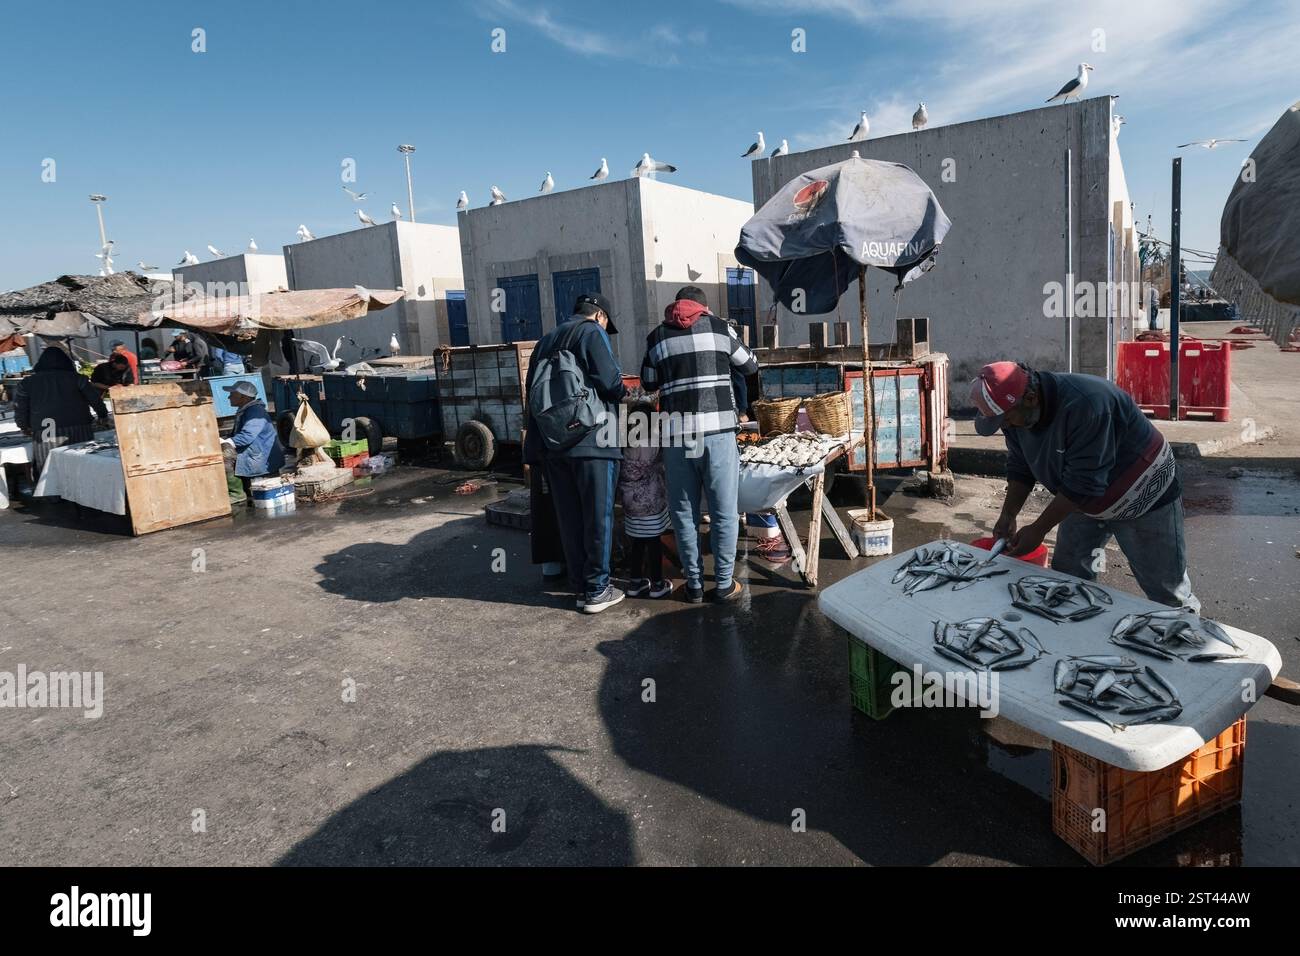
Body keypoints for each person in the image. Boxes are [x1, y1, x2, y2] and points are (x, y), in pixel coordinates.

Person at [975, 360, 1199, 612]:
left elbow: (1084, 482)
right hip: (1082, 500)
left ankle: (1190, 639)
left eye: (1006, 419)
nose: (1005, 426)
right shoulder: (1016, 416)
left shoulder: (1089, 403)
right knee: (1067, 579)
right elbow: (1020, 465)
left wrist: (1039, 529)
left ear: (1030, 397)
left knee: (1167, 593)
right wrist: (1008, 514)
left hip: (1144, 495)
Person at [640, 286, 758, 603]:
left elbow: (649, 383)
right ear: (703, 308)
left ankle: (693, 585)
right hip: (717, 433)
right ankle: (722, 584)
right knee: (723, 512)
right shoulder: (721, 328)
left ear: (675, 305)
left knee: (684, 512)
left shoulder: (656, 337)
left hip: (679, 437)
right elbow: (750, 366)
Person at [523, 292, 626, 613]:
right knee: (599, 516)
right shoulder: (591, 332)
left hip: (555, 444)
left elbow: (533, 395)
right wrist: (627, 392)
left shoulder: (545, 341)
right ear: (600, 316)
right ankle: (597, 589)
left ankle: (581, 587)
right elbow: (611, 383)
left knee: (570, 518)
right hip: (593, 440)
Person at [15, 346, 109, 477]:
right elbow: (95, 400)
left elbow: (20, 407)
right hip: (79, 427)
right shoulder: (77, 379)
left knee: (50, 468)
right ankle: (83, 496)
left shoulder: (27, 383)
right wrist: (103, 416)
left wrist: (23, 426)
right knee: (83, 466)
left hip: (45, 429)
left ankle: (52, 496)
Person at [618, 396, 673, 599]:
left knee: (638, 542)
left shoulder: (624, 441)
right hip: (650, 502)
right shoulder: (654, 441)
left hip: (630, 502)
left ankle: (635, 582)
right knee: (654, 542)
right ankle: (658, 584)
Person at [223, 380, 285, 499]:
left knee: (225, 457)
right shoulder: (246, 410)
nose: (229, 397)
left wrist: (227, 442)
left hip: (260, 457)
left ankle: (237, 495)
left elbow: (247, 436)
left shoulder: (256, 411)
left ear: (243, 396)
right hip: (254, 452)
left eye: (232, 394)